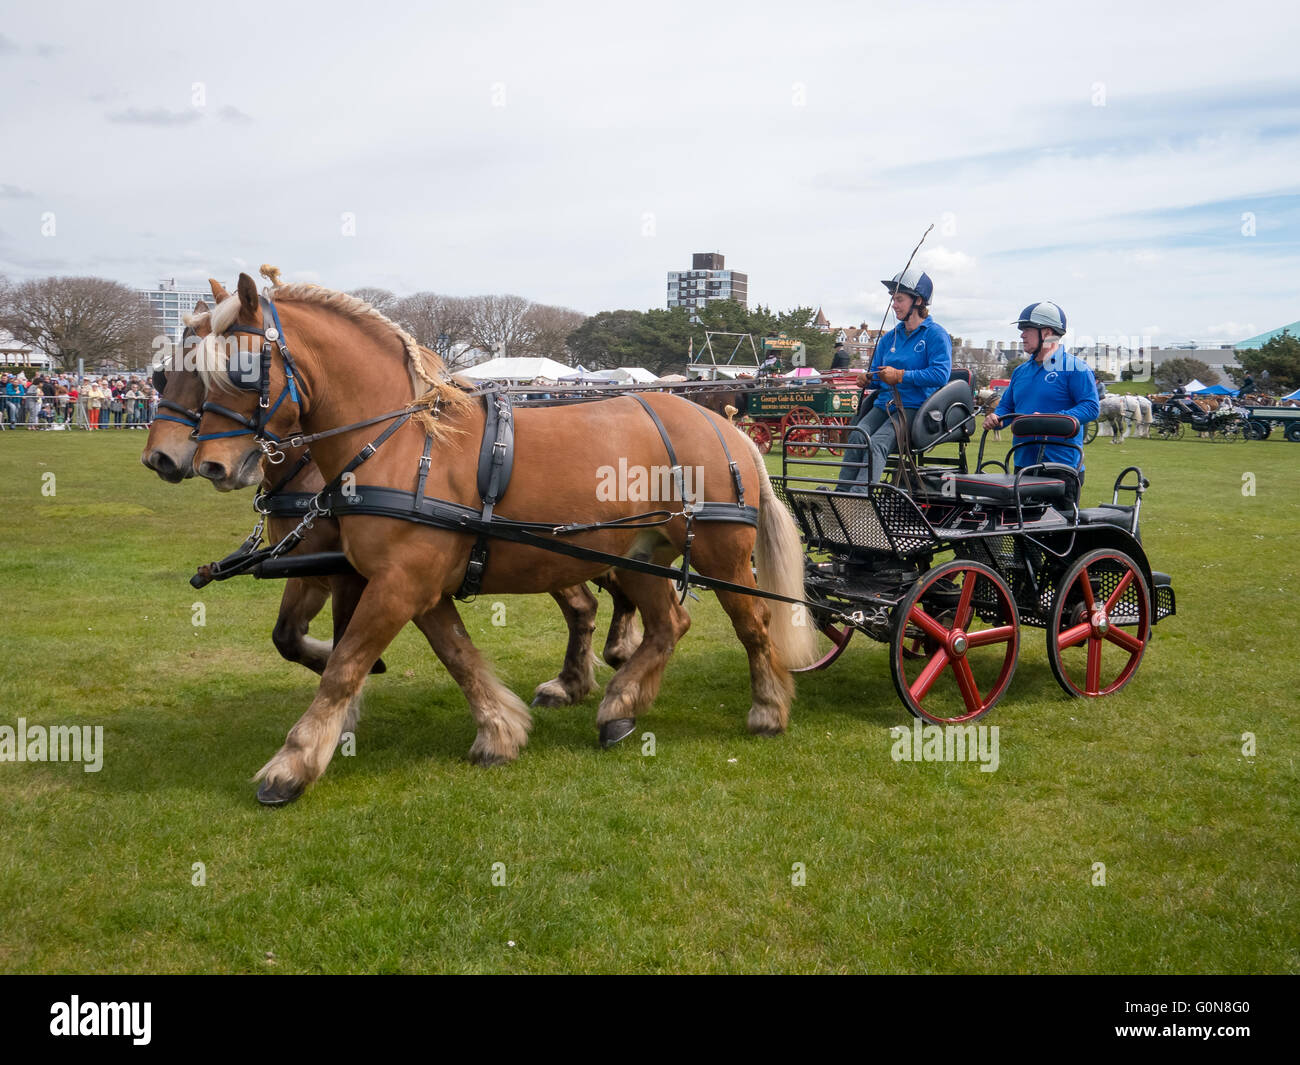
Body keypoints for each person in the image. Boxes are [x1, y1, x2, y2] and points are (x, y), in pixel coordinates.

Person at [839, 267, 952, 488]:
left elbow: (940, 375)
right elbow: (878, 376)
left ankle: (859, 499)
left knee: (878, 444)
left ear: (918, 301)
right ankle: (840, 496)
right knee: (857, 438)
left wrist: (900, 376)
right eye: (893, 299)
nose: (894, 304)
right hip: (884, 405)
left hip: (915, 408)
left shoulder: (936, 335)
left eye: (899, 299)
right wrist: (868, 379)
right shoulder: (889, 337)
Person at [982, 301, 1099, 491]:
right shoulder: (1020, 371)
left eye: (1027, 328)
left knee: (1060, 521)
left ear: (1046, 333)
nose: (1022, 334)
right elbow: (1007, 407)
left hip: (1061, 466)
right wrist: (996, 418)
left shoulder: (1076, 368)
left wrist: (1049, 420)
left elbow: (1091, 407)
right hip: (1023, 464)